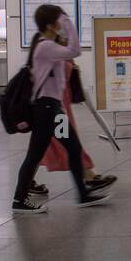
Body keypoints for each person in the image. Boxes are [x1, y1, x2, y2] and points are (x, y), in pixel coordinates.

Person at [10, 6, 110, 214]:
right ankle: (19, 199)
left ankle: (82, 194)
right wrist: (68, 22)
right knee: (35, 155)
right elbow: (75, 51)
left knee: (72, 148)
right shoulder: (45, 46)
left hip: (53, 110)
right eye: (59, 21)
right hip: (46, 111)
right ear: (50, 25)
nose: (62, 24)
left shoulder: (47, 45)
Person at [30, 59, 117, 201]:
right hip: (53, 110)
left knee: (46, 148)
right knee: (65, 146)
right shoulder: (49, 48)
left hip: (56, 108)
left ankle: (25, 185)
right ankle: (88, 180)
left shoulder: (54, 49)